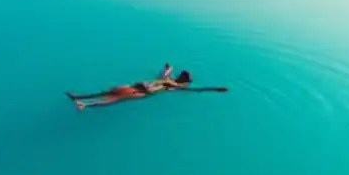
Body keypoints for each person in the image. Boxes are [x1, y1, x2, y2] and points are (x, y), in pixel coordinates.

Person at [66, 65, 228, 110]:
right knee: (109, 91)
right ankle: (79, 97)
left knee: (114, 98)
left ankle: (85, 104)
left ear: (183, 80)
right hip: (136, 85)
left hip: (141, 91)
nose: (180, 76)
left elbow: (195, 90)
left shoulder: (174, 85)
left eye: (182, 76)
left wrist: (214, 89)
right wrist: (168, 69)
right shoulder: (168, 79)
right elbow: (163, 74)